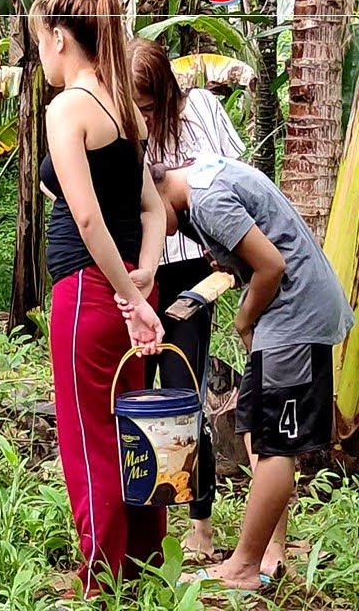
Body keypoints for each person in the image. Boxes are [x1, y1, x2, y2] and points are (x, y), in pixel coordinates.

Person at [147, 156, 354, 591]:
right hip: (288, 318)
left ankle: (242, 567)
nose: (152, 228)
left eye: (145, 212)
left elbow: (272, 265)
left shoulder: (207, 200)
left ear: (155, 189)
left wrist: (245, 319)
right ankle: (269, 553)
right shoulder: (207, 181)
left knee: (277, 442)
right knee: (253, 424)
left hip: (296, 317)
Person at [31, 0, 168, 598]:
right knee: (130, 430)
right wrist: (145, 274)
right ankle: (140, 566)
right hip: (123, 294)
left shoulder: (69, 108)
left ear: (60, 38)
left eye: (40, 43)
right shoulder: (123, 109)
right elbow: (152, 210)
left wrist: (131, 297)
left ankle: (99, 583)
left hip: (91, 297)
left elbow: (88, 220)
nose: (41, 57)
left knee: (89, 438)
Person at [129, 37, 247, 560]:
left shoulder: (202, 107)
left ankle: (200, 525)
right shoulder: (118, 124)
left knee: (185, 392)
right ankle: (146, 519)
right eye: (138, 108)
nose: (146, 117)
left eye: (151, 106)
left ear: (168, 93)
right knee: (139, 393)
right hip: (140, 270)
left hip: (197, 270)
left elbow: (235, 177)